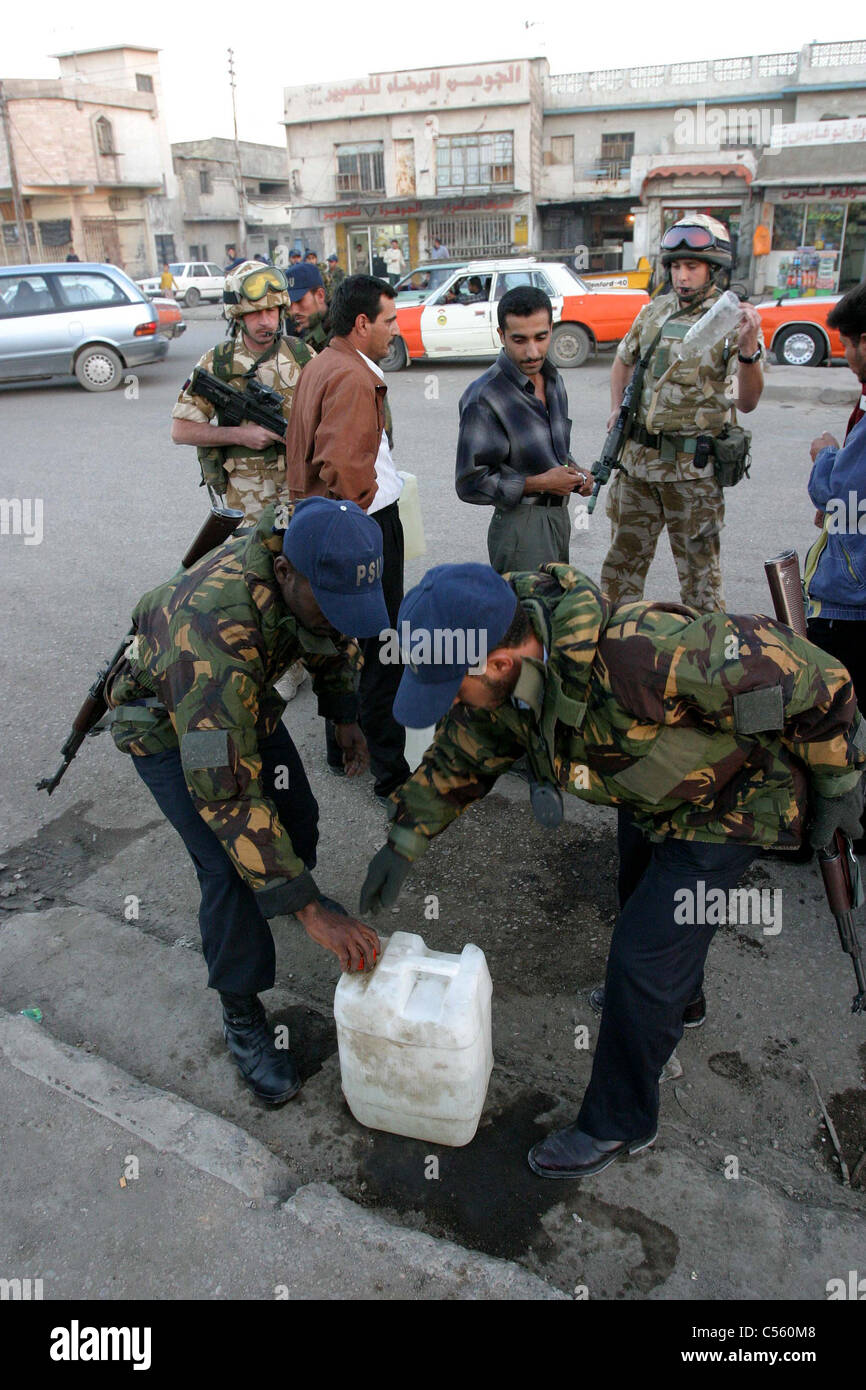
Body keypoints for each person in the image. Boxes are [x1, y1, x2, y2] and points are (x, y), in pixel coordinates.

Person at [359, 561, 866, 1176]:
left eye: (449, 688)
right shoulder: (505, 677)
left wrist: (840, 784)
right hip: (651, 797)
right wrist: (404, 840)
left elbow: (818, 677)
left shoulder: (643, 654)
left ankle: (619, 1123)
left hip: (729, 808)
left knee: (642, 957)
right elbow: (466, 752)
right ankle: (681, 1004)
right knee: (636, 894)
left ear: (496, 662)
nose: (452, 704)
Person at [106, 499, 384, 1105]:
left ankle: (281, 895)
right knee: (229, 867)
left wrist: (342, 716)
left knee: (298, 815)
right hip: (169, 724)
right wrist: (313, 911)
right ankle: (242, 1014)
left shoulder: (314, 572)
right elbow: (228, 797)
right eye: (330, 605)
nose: (342, 620)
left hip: (244, 705)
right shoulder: (212, 636)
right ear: (285, 573)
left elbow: (335, 639)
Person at [286, 274, 410, 805]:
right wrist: (358, 533)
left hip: (329, 522)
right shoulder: (354, 377)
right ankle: (392, 777)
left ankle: (344, 750)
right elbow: (341, 465)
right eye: (389, 320)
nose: (395, 329)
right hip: (363, 527)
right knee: (383, 650)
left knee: (341, 646)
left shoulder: (322, 361)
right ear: (362, 324)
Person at [600, 214, 764, 613]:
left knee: (700, 580)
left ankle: (708, 663)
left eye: (692, 266)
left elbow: (747, 402)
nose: (682, 276)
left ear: (714, 270)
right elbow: (623, 361)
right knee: (620, 573)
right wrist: (616, 411)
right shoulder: (654, 312)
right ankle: (613, 656)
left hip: (692, 475)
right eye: (676, 266)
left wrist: (748, 349)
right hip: (637, 468)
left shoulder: (732, 321)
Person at [456, 285, 592, 573]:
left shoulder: (553, 379)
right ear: (501, 335)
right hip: (520, 528)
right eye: (519, 340)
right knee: (527, 615)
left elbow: (556, 451)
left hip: (558, 519)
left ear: (551, 329)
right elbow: (470, 484)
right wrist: (542, 483)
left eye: (540, 337)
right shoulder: (484, 397)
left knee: (556, 610)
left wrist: (576, 472)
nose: (532, 351)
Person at [170, 260, 312, 523]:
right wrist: (241, 435)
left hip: (298, 493)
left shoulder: (301, 355)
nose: (265, 321)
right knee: (251, 562)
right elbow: (180, 431)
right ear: (237, 315)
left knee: (296, 560)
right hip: (249, 503)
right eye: (255, 313)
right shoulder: (218, 363)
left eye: (271, 311)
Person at [805, 280, 866, 849]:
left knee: (837, 725)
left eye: (849, 343)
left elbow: (838, 495)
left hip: (850, 607)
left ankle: (834, 835)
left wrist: (826, 454)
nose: (846, 357)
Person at [287, 262, 332, 349]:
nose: (294, 311)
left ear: (320, 296)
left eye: (299, 300)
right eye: (290, 304)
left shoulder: (341, 336)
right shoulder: (307, 333)